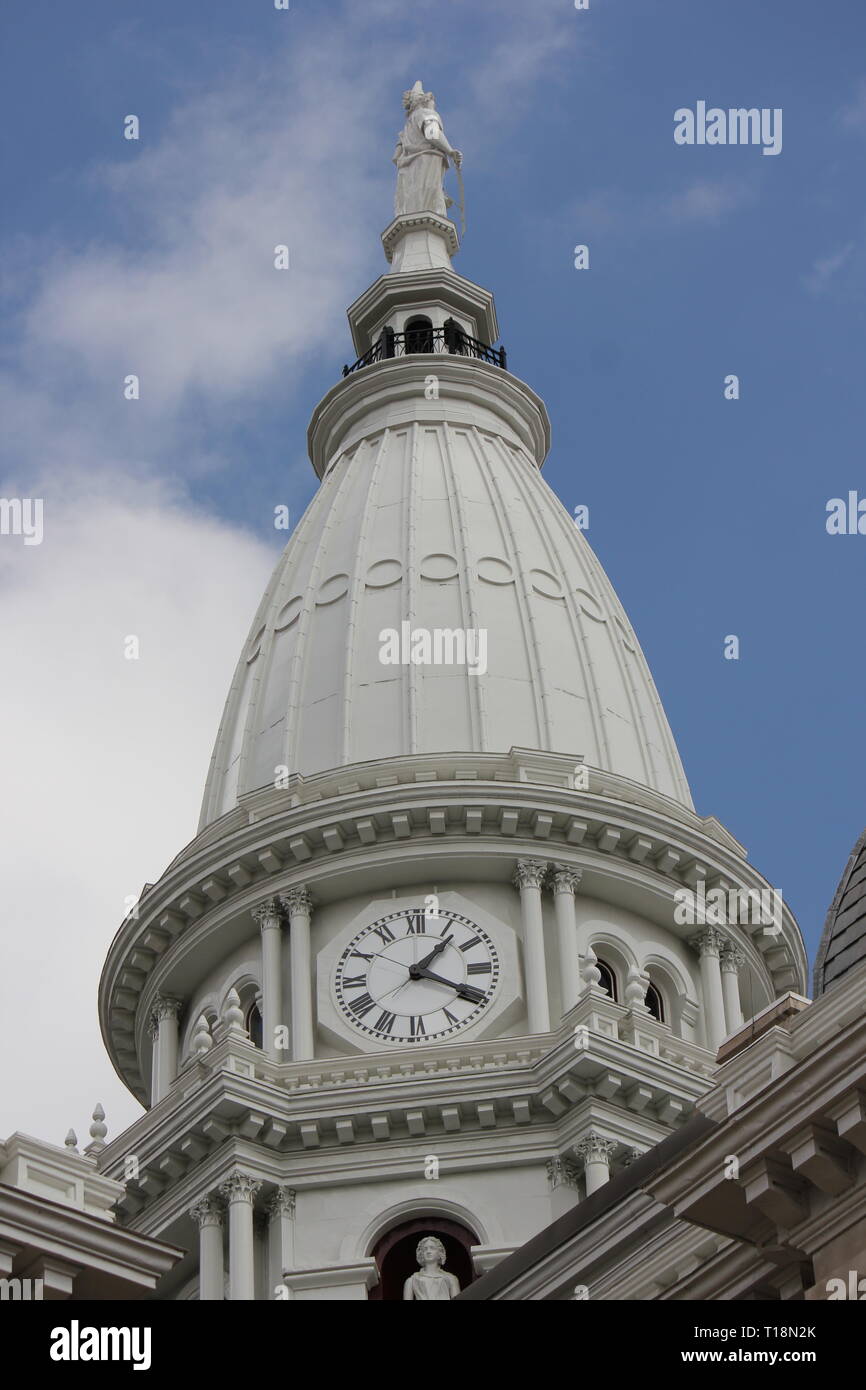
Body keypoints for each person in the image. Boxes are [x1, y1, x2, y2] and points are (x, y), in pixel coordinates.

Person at [403, 1235, 462, 1300]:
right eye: (425, 1249)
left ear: (440, 1252)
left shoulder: (451, 1278)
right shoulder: (411, 1281)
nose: (428, 1251)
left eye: (432, 1248)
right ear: (421, 1254)